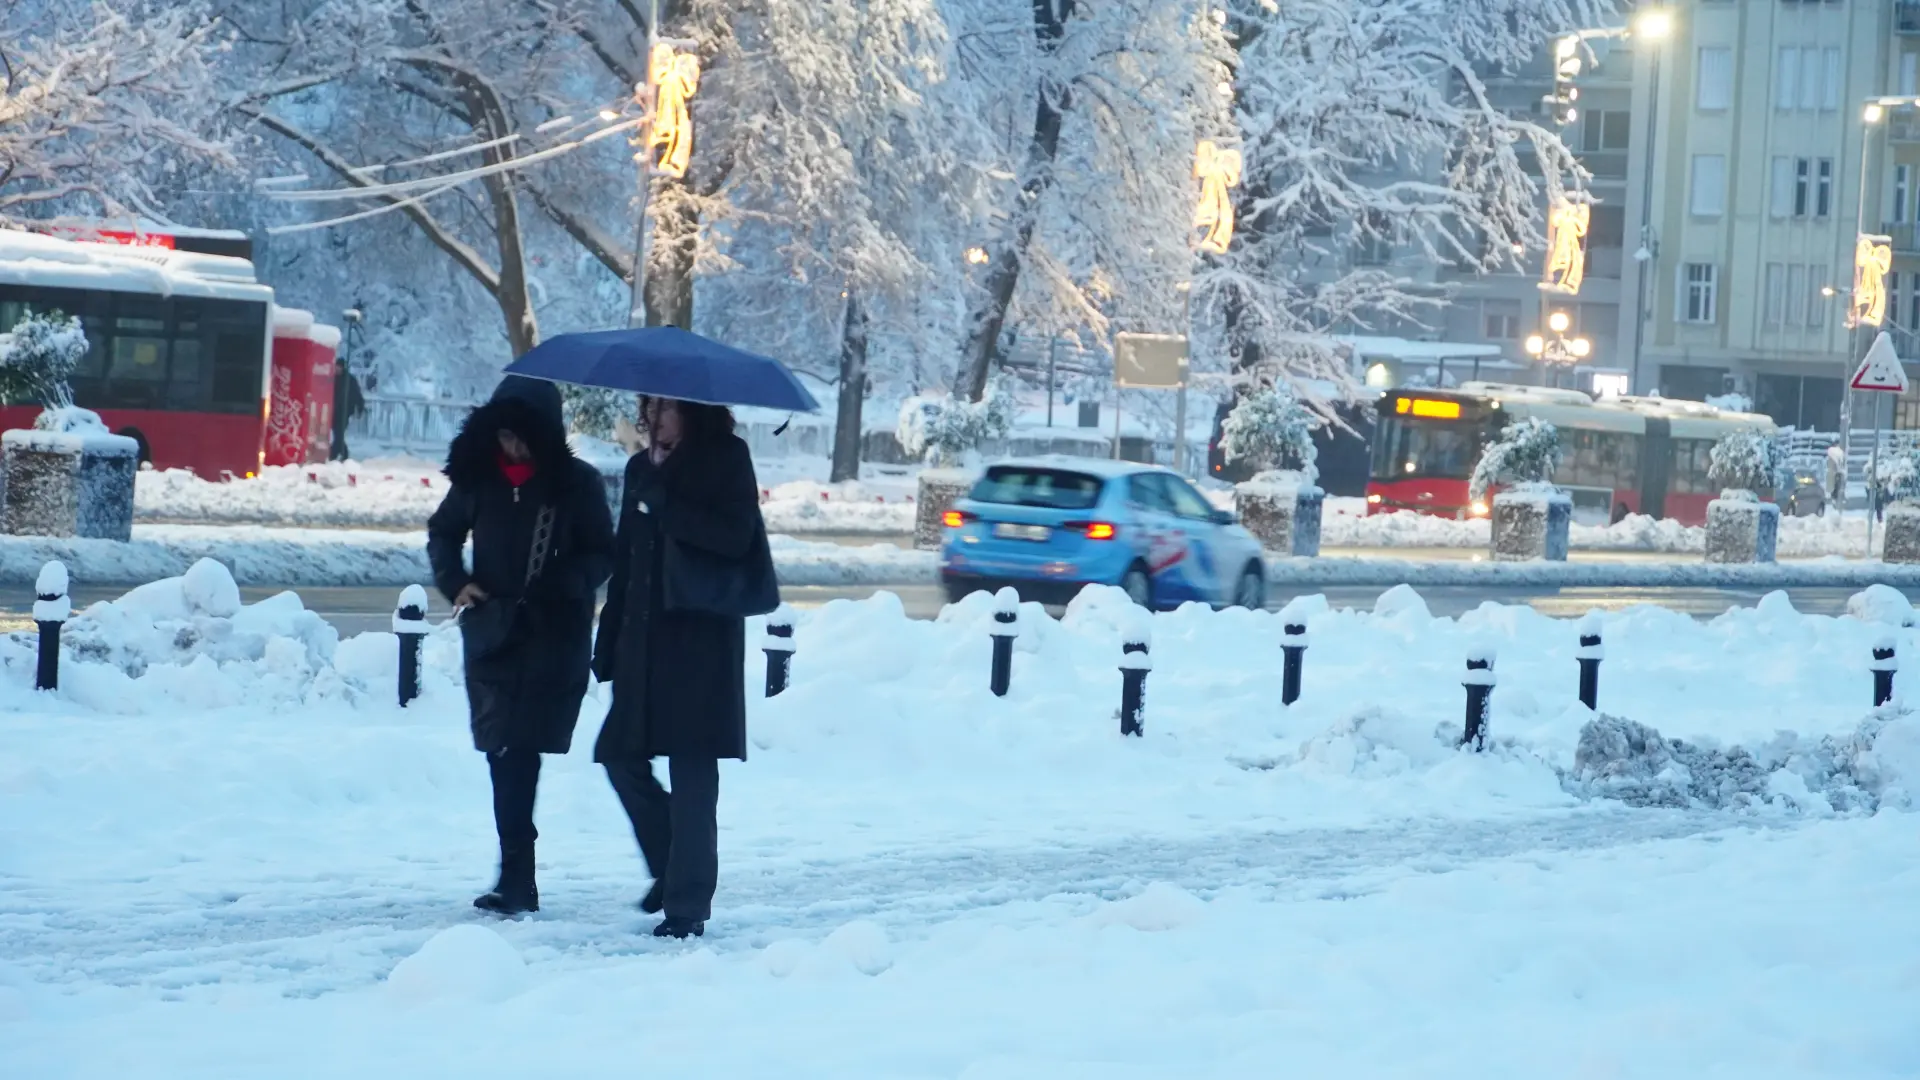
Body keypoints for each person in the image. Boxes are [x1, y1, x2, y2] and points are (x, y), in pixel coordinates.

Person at [427, 375, 615, 915]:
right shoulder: (477, 480)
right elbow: (443, 531)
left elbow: (604, 552)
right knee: (501, 753)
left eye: (521, 438)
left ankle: (517, 877)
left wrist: (569, 581)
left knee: (521, 752)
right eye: (504, 436)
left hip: (553, 637)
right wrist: (453, 581)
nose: (511, 448)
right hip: (491, 633)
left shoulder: (577, 485)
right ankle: (516, 876)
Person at [592, 395, 776, 939]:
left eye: (667, 407)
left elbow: (735, 537)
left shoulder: (726, 458)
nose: (655, 416)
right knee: (619, 756)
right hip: (642, 641)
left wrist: (667, 503)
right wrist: (608, 638)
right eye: (650, 405)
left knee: (693, 775)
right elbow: (627, 559)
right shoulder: (639, 467)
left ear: (694, 410)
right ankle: (673, 862)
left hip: (700, 642)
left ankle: (687, 903)